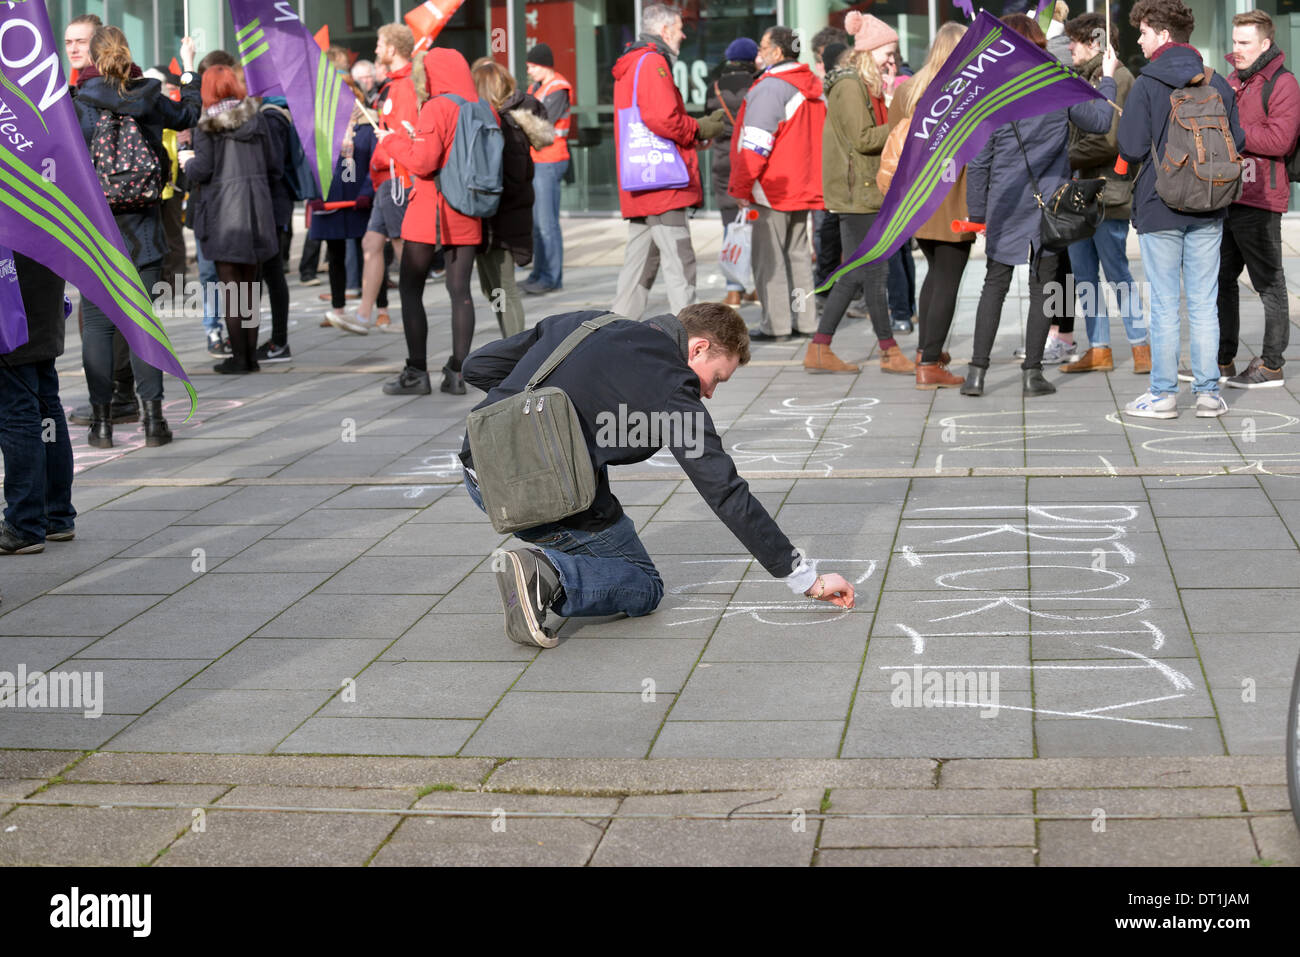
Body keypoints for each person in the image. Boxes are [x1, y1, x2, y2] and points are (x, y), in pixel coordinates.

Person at [458, 303, 856, 648]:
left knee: (603, 515)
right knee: (643, 585)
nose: (710, 394)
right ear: (697, 348)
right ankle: (547, 574)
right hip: (534, 490)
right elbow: (724, 490)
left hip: (479, 465)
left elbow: (476, 366)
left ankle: (552, 564)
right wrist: (804, 579)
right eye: (716, 378)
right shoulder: (670, 386)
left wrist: (534, 421)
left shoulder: (589, 323)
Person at [961, 13, 1116, 398]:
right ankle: (1032, 374)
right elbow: (1099, 121)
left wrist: (977, 214)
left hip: (1004, 201)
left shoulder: (990, 91)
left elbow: (979, 161)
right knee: (1043, 288)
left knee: (993, 285)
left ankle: (976, 374)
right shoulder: (1057, 82)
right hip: (1050, 202)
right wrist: (1108, 77)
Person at [1118, 0, 1245, 418]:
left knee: (1166, 304)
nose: (1139, 38)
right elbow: (1237, 142)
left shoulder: (1146, 83)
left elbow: (1132, 148)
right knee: (1204, 303)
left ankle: (1163, 395)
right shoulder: (1218, 82)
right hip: (1209, 206)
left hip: (1160, 206)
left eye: (1144, 32)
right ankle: (1209, 394)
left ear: (1163, 35)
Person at [73, 26, 199, 447]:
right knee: (142, 324)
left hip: (95, 233)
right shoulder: (147, 96)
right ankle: (153, 423)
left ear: (90, 58)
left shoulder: (73, 105)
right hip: (143, 230)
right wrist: (189, 72)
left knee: (97, 327)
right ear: (128, 54)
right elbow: (189, 116)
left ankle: (102, 424)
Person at [377, 48, 487, 396]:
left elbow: (423, 163)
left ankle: (416, 371)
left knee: (410, 288)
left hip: (431, 209)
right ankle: (457, 373)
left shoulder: (436, 107)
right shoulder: (482, 108)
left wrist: (393, 141)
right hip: (468, 208)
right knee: (460, 293)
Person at [610, 4, 724, 319]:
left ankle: (614, 334)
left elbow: (655, 120)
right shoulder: (652, 63)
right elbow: (664, 119)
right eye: (679, 27)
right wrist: (698, 128)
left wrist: (693, 135)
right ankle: (688, 336)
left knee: (637, 271)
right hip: (663, 186)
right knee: (680, 264)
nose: (683, 34)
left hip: (644, 182)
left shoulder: (633, 62)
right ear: (664, 31)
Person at [879, 22, 971, 388]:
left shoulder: (910, 89)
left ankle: (925, 350)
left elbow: (893, 139)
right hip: (953, 196)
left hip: (917, 195)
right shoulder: (965, 90)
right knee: (948, 277)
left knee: (934, 272)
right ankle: (930, 362)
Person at [1212, 9, 1299, 389]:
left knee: (1269, 284)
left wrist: (1232, 131)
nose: (1237, 49)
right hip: (1228, 194)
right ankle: (1223, 360)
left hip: (1262, 197)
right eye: (1234, 42)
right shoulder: (1234, 79)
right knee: (1221, 279)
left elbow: (1280, 140)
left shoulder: (1283, 83)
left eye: (1245, 43)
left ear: (1265, 43)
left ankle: (1272, 365)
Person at [1058, 13, 1148, 376]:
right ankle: (1099, 348)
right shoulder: (1079, 80)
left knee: (1116, 272)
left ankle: (1141, 345)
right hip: (1078, 193)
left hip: (1108, 192)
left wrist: (1060, 156)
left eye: (1075, 42)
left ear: (1095, 42)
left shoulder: (1119, 77)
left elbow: (1109, 139)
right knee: (1083, 276)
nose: (1069, 48)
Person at [183, 65, 282, 374]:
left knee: (231, 290)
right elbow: (273, 164)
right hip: (257, 212)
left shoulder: (207, 126)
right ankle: (250, 357)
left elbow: (203, 170)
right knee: (250, 289)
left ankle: (239, 359)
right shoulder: (258, 118)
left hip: (224, 214)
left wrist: (187, 161)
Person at [729, 26, 826, 342]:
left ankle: (777, 325)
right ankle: (806, 319)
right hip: (805, 185)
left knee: (768, 258)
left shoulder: (770, 88)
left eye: (763, 46)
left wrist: (742, 188)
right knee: (798, 257)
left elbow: (756, 145)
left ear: (778, 52)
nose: (758, 53)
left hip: (770, 188)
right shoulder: (814, 86)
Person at [811, 40, 901, 373]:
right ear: (867, 52)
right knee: (872, 272)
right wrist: (901, 124)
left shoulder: (860, 85)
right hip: (857, 192)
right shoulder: (849, 86)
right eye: (886, 53)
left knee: (858, 272)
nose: (891, 60)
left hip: (862, 190)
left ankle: (821, 347)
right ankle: (888, 352)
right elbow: (863, 139)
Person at [472, 58, 552, 339]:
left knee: (504, 289)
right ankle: (509, 343)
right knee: (492, 288)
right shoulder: (498, 123)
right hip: (495, 221)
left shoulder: (506, 128)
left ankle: (516, 349)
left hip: (501, 221)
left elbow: (513, 178)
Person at [0, 254, 75, 555]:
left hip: (10, 286)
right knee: (45, 401)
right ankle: (55, 514)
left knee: (18, 410)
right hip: (43, 273)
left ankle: (25, 523)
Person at [348, 23, 419, 336]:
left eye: (379, 44)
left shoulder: (404, 87)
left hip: (395, 177)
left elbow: (406, 134)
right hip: (384, 178)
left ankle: (412, 311)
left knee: (401, 247)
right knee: (372, 242)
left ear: (392, 49)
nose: (376, 50)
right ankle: (364, 314)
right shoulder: (394, 85)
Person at [311, 102, 375, 338]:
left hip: (358, 197)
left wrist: (367, 192)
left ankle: (379, 308)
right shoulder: (321, 129)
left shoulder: (366, 128)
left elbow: (374, 162)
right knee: (335, 255)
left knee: (370, 253)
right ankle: (338, 308)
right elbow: (309, 161)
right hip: (333, 197)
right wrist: (314, 193)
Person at [706, 38, 759, 307]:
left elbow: (708, 119)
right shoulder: (758, 84)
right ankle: (758, 287)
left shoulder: (714, 86)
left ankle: (733, 290)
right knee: (757, 223)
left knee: (731, 223)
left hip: (723, 160)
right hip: (752, 159)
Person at [522, 43, 573, 296]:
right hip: (537, 159)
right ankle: (538, 274)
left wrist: (520, 120)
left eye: (532, 66)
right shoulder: (537, 88)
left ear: (544, 65)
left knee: (547, 222)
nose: (529, 71)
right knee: (537, 223)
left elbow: (539, 125)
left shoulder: (558, 89)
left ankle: (550, 277)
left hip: (550, 159)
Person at [254, 95, 297, 363]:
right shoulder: (275, 116)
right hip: (270, 207)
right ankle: (265, 341)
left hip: (268, 208)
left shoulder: (270, 119)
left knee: (267, 275)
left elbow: (273, 167)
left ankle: (276, 341)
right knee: (266, 275)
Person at [809, 27, 850, 301]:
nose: (821, 66)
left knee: (836, 236)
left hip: (839, 172)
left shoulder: (841, 86)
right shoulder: (813, 89)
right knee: (826, 236)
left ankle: (839, 290)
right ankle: (827, 290)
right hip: (822, 173)